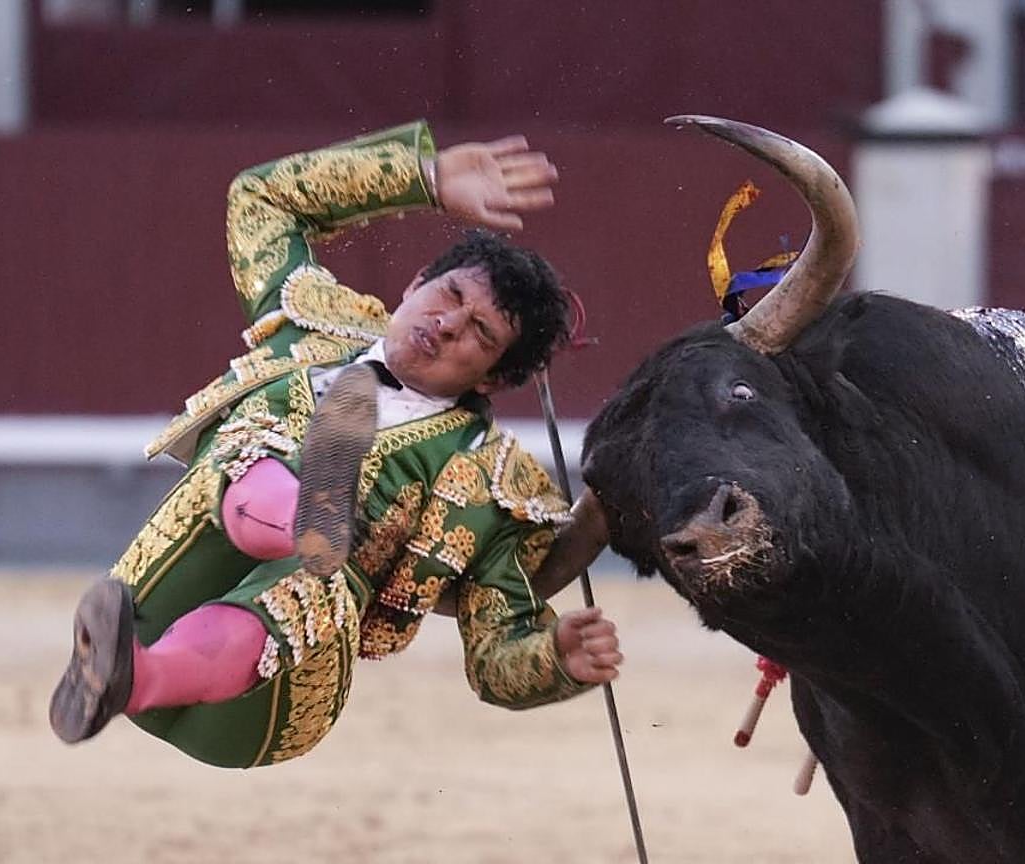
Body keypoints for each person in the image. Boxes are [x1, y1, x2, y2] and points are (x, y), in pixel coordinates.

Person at [49, 120, 621, 769]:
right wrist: (422, 177)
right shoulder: (312, 318)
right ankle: (143, 665)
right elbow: (260, 199)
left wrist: (557, 661)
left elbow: (497, 653)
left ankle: (303, 536)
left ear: (491, 378)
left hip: (264, 706)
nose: (448, 324)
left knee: (321, 572)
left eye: (480, 335)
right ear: (412, 285)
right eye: (450, 295)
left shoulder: (490, 480)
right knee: (257, 446)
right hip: (150, 610)